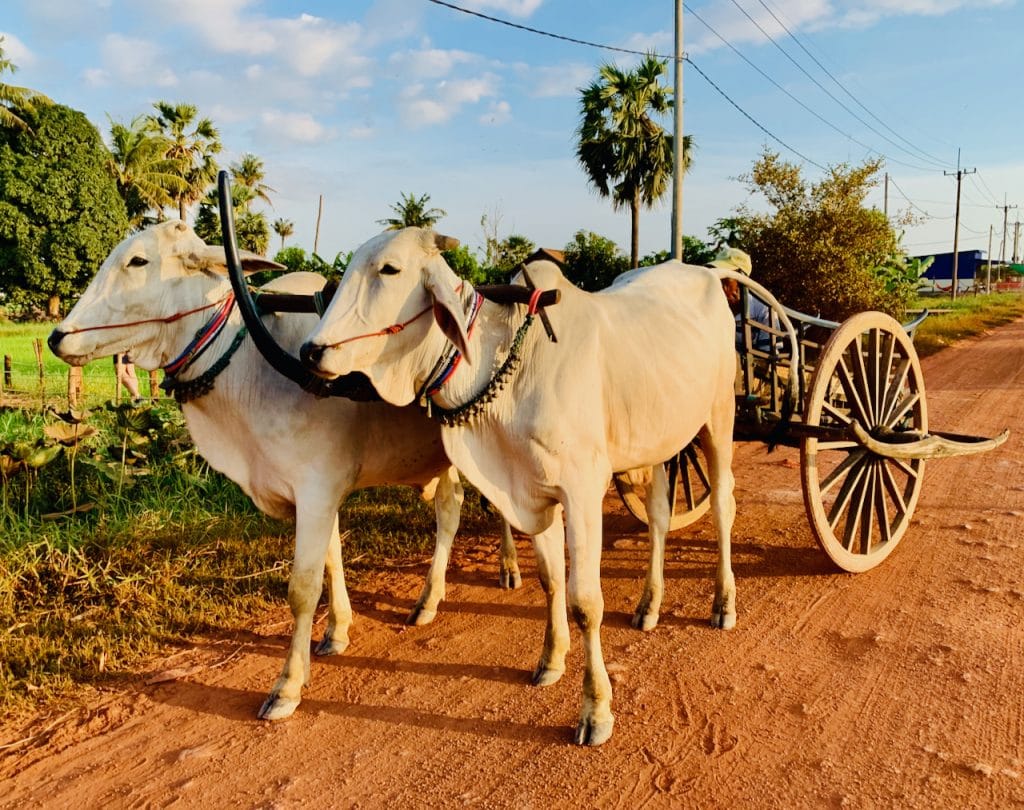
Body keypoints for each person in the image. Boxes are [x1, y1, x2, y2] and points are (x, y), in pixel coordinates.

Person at [709, 246, 774, 353]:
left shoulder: (763, 310)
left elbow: (767, 360)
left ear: (741, 281)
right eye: (716, 274)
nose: (718, 281)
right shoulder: (708, 307)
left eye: (725, 276)